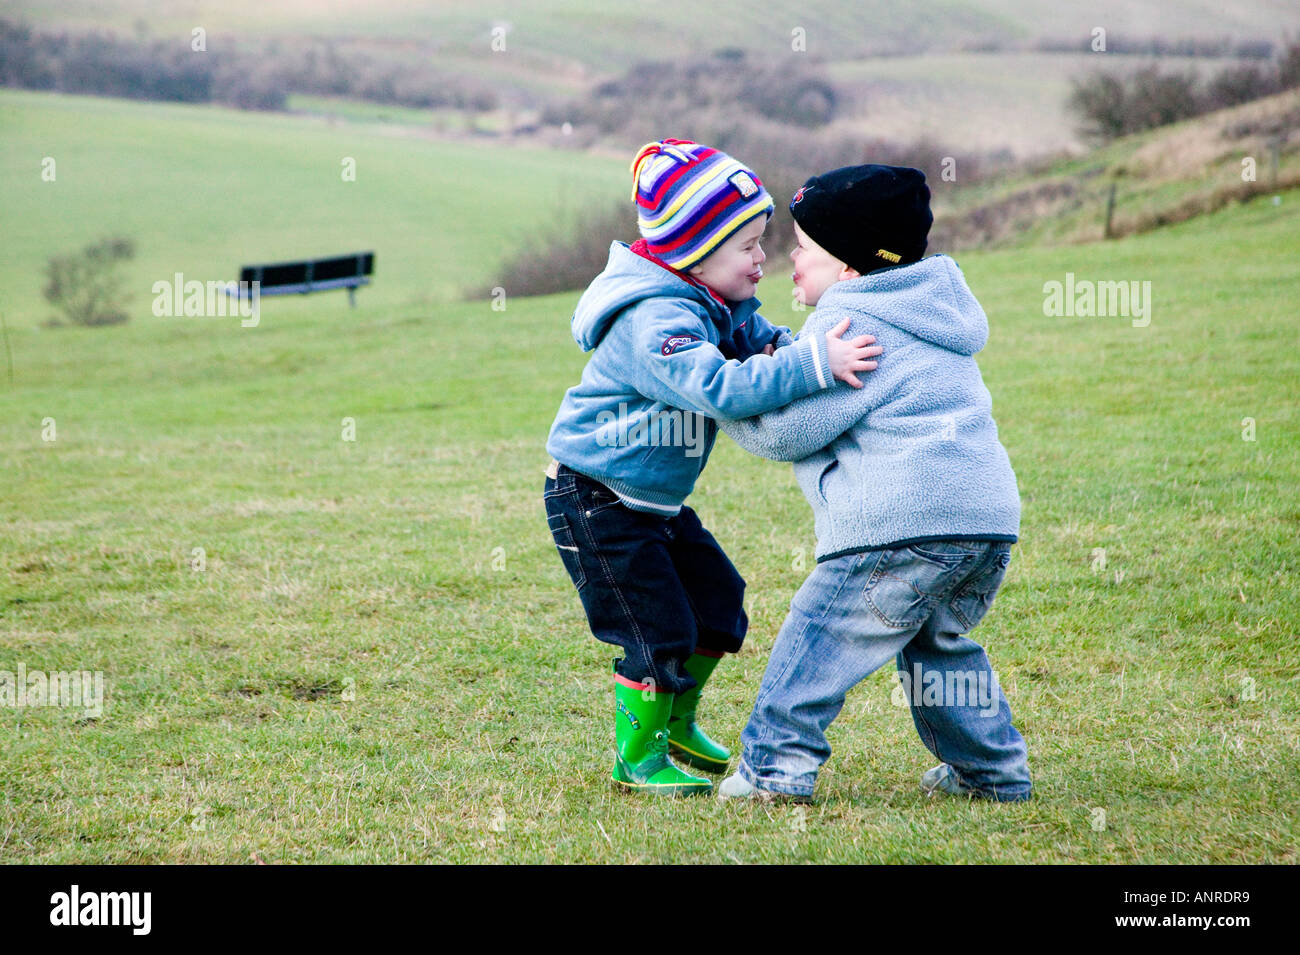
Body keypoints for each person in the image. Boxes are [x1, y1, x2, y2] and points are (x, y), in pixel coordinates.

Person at [543, 139, 882, 795]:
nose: (763, 257)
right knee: (657, 628)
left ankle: (675, 721)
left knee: (719, 604)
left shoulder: (710, 298)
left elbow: (765, 343)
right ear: (695, 250)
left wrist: (815, 346)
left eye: (762, 241)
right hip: (596, 498)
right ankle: (636, 758)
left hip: (652, 503)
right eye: (747, 245)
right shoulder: (656, 317)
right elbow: (722, 388)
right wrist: (814, 367)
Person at [714, 164, 1032, 803]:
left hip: (899, 525)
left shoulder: (855, 324)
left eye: (805, 248)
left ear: (850, 268)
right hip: (981, 520)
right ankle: (992, 775)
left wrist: (718, 394)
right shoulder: (929, 309)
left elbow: (787, 432)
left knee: (817, 637)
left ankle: (773, 771)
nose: (792, 261)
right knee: (936, 646)